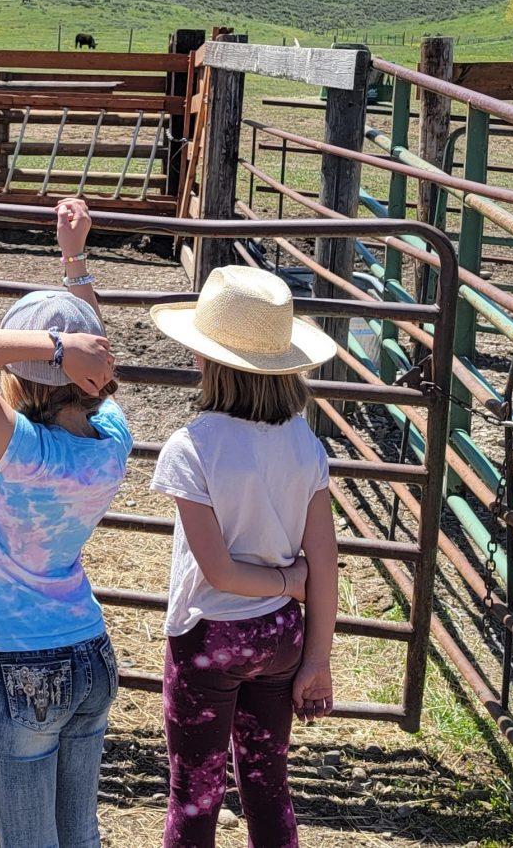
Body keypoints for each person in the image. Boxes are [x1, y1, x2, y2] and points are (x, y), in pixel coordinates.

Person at [0, 199, 130, 848]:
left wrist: (56, 346)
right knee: (78, 834)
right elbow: (97, 368)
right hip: (88, 649)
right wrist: (74, 261)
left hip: (22, 663)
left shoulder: (24, 451)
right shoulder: (112, 439)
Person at [147, 265, 342, 848]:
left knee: (195, 793)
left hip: (210, 636)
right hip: (281, 638)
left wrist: (286, 580)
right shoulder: (305, 443)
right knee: (268, 786)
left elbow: (220, 571)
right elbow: (324, 561)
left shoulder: (192, 448)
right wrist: (316, 658)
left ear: (205, 358)